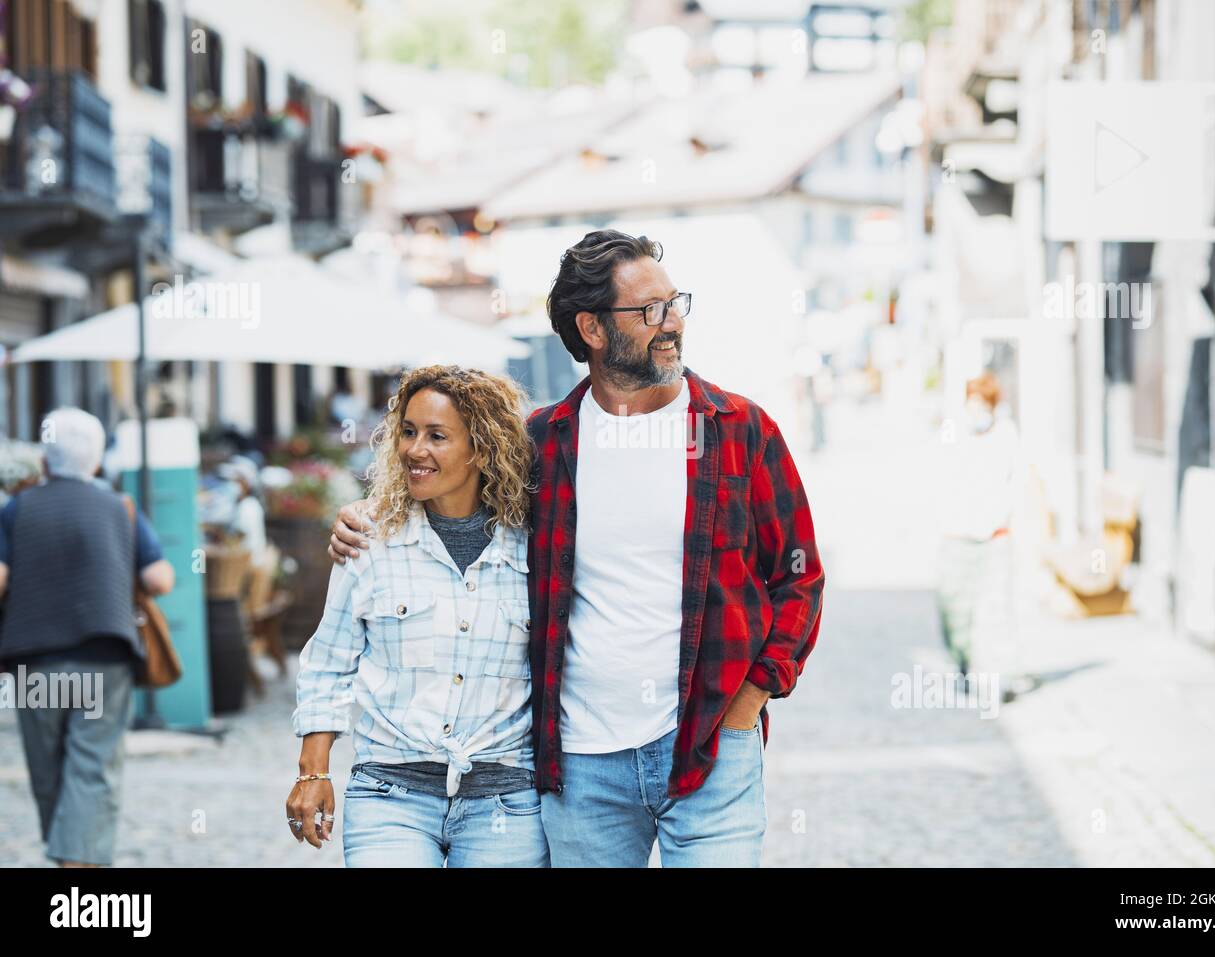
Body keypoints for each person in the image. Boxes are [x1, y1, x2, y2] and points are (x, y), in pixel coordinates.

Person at [330, 230, 825, 867]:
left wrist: (752, 698)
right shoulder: (541, 445)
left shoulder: (738, 430)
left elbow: (800, 577)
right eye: (648, 310)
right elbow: (443, 508)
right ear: (592, 327)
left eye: (675, 303)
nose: (670, 322)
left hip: (710, 747)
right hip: (582, 766)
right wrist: (365, 519)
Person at [290, 365, 547, 867]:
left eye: (436, 436)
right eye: (407, 432)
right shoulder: (369, 539)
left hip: (506, 802)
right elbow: (329, 662)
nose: (414, 449)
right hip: (390, 796)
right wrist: (312, 772)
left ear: (481, 446)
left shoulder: (532, 546)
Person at [0, 407, 175, 868]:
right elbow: (159, 579)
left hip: (34, 660)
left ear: (44, 461)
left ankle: (69, 864)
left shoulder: (16, 510)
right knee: (92, 764)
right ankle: (80, 868)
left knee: (47, 766)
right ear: (96, 463)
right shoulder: (119, 507)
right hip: (104, 655)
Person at [936, 372, 1020, 682]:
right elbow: (939, 474)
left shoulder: (1006, 433)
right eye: (972, 401)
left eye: (982, 402)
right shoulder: (953, 433)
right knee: (956, 608)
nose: (977, 408)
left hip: (995, 534)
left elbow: (1016, 479)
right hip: (957, 534)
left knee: (999, 608)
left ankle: (1005, 675)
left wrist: (1007, 518)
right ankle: (964, 662)